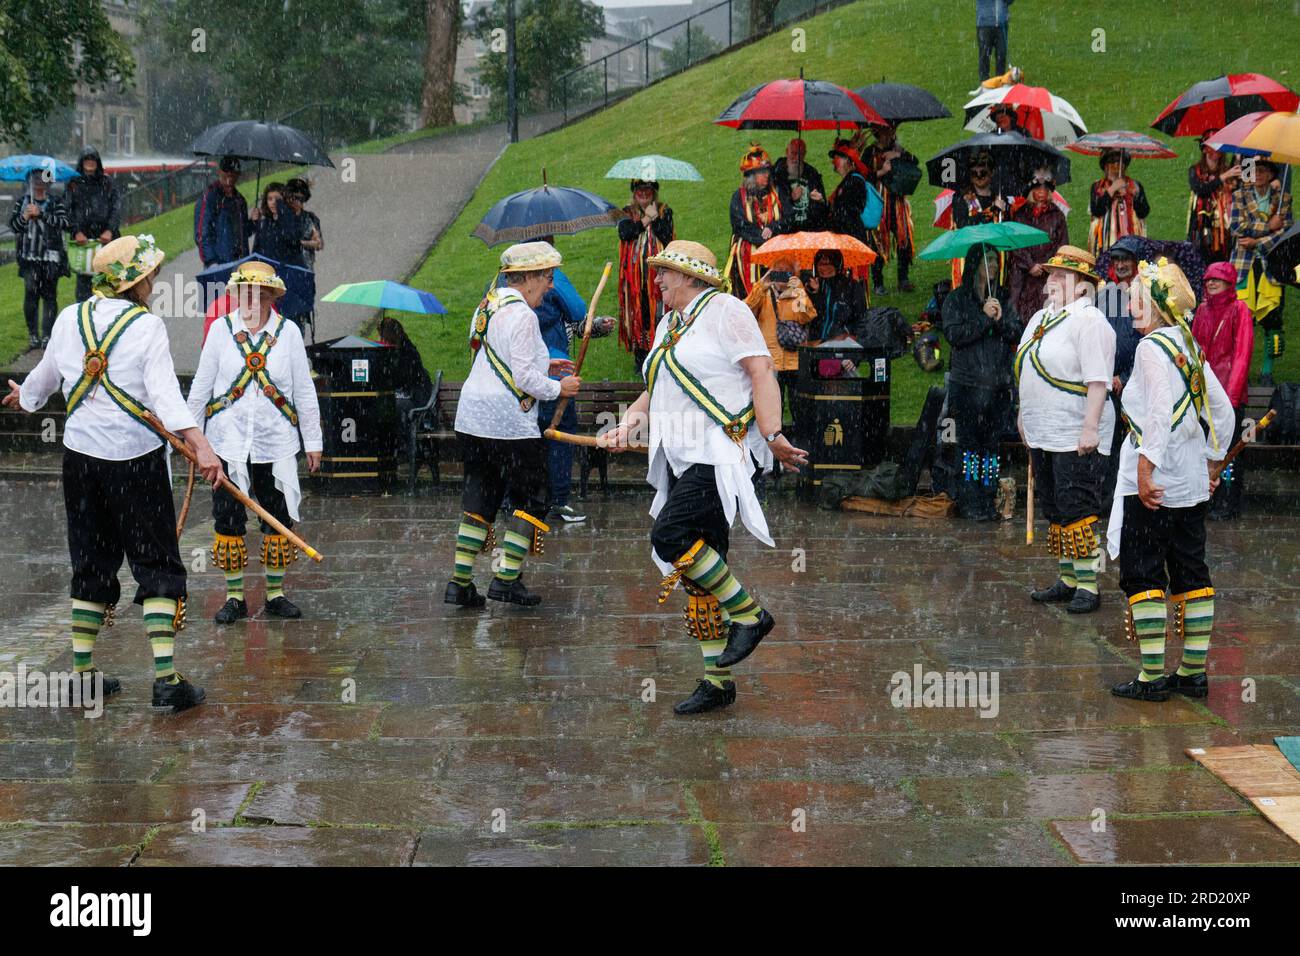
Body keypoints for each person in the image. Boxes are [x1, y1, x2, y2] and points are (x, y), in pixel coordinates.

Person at [2, 235, 221, 713]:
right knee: (156, 563)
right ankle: (166, 679)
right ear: (133, 281)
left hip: (80, 461)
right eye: (150, 275)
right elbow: (165, 399)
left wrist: (26, 399)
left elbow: (43, 378)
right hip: (135, 461)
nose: (155, 281)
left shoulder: (69, 317)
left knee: (91, 559)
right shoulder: (146, 328)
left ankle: (83, 674)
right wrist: (202, 448)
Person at [605, 240, 808, 715]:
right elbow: (655, 388)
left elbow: (762, 371)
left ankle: (751, 614)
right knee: (703, 570)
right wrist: (626, 425)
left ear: (690, 277)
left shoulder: (726, 311)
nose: (655, 280)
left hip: (719, 453)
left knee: (669, 537)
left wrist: (772, 431)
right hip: (678, 454)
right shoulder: (669, 324)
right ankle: (718, 683)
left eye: (664, 273)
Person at [1107, 258, 1234, 702]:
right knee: (1191, 570)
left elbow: (1159, 412)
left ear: (1159, 305)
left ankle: (1152, 677)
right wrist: (1213, 463)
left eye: (1138, 298)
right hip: (1190, 483)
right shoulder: (1189, 344)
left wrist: (1145, 467)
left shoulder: (1149, 349)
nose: (1131, 305)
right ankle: (1194, 673)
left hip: (1156, 484)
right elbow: (1223, 412)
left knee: (1142, 573)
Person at [444, 242, 582, 609]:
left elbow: (497, 356)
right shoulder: (524, 315)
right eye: (548, 278)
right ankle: (506, 580)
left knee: (480, 496)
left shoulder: (487, 305)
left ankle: (459, 583)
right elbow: (523, 376)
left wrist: (544, 365)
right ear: (530, 278)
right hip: (507, 423)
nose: (551, 286)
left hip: (472, 418)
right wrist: (558, 387)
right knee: (532, 499)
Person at [187, 261, 322, 624]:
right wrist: (190, 440)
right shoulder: (220, 331)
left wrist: (313, 441)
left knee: (277, 519)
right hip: (226, 443)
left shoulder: (289, 333)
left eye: (257, 292)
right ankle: (234, 597)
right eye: (243, 291)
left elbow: (304, 390)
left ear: (268, 296)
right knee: (227, 520)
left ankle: (275, 594)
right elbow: (201, 387)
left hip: (274, 443)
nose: (249, 298)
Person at [1016, 246, 1115, 614]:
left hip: (1076, 432)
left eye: (1061, 276)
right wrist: (1024, 416)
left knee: (1078, 507)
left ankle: (1089, 585)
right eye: (1051, 274)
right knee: (1056, 508)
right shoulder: (1040, 318)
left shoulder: (1090, 322)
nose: (1051, 280)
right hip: (1043, 430)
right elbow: (1026, 367)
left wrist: (1091, 427)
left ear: (1083, 286)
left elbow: (1098, 381)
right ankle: (1068, 578)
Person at [942, 243, 1024, 520]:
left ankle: (988, 497)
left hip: (998, 387)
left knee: (991, 448)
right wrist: (983, 318)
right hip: (968, 386)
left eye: (995, 261)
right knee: (969, 447)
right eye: (987, 260)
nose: (992, 265)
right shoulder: (956, 299)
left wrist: (1000, 320)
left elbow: (1016, 333)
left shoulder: (1002, 297)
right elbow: (955, 336)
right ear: (974, 265)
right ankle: (969, 499)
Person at [1193, 260, 1254, 520]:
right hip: (1205, 394)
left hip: (1229, 396)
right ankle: (1205, 498)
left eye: (1217, 279)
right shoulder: (1202, 311)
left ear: (1230, 283)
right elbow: (1193, 350)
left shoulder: (1240, 310)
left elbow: (1242, 353)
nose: (1211, 283)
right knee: (1203, 449)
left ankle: (1228, 502)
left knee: (1228, 454)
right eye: (1208, 279)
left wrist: (1231, 397)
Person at [1229, 159, 1292, 386]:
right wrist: (1268, 227)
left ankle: (1267, 371)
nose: (1257, 174)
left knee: (1272, 321)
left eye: (1263, 170)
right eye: (1254, 170)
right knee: (1242, 322)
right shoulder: (1239, 196)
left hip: (1272, 266)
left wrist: (1257, 241)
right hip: (1244, 266)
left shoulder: (1283, 199)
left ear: (1271, 174)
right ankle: (1240, 372)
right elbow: (1237, 227)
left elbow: (1286, 232)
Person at [1096, 236, 1145, 507]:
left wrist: (1125, 377)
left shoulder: (1144, 294)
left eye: (1126, 259)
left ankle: (1128, 499)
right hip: (1104, 384)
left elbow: (1146, 343)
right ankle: (1106, 500)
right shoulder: (1104, 296)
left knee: (1130, 445)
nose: (1121, 264)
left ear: (1136, 262)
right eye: (1117, 259)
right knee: (1107, 446)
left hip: (1133, 385)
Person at [746, 255, 816, 433]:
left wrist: (799, 289)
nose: (781, 277)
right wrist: (761, 286)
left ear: (793, 275)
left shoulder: (797, 295)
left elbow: (806, 316)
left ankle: (800, 443)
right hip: (771, 362)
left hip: (795, 361)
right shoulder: (764, 295)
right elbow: (745, 311)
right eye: (777, 273)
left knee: (798, 407)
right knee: (772, 408)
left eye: (786, 273)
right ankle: (774, 446)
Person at [617, 178, 675, 370]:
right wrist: (645, 220)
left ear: (654, 192)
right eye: (639, 190)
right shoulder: (626, 213)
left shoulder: (665, 210)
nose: (643, 193)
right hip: (634, 278)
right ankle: (640, 356)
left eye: (647, 190)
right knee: (638, 312)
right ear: (634, 193)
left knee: (659, 309)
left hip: (656, 275)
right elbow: (625, 233)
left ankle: (660, 350)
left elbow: (666, 235)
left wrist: (655, 217)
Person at [9, 170, 69, 351]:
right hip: (29, 258)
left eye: (43, 179)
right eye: (35, 179)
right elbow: (14, 227)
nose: (38, 183)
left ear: (49, 183)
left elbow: (65, 223)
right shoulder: (22, 203)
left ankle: (47, 336)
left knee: (50, 297)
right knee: (31, 296)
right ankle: (33, 335)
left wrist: (42, 214)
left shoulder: (56, 202)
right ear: (30, 182)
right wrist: (25, 217)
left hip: (51, 258)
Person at [727, 144, 790, 297]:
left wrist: (773, 227)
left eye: (767, 171)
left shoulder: (778, 193)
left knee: (779, 293)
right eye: (761, 172)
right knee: (751, 297)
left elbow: (789, 218)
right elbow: (740, 226)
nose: (766, 175)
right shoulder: (738, 197)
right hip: (748, 257)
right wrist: (761, 237)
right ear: (750, 176)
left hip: (776, 254)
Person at [1008, 170, 1069, 322]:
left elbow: (1062, 245)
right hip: (1023, 275)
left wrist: (1047, 265)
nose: (1041, 192)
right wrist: (1030, 264)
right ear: (1030, 191)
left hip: (1048, 274)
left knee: (1047, 310)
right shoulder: (1020, 215)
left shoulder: (1057, 215)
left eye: (1045, 188)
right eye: (1037, 188)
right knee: (1021, 313)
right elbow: (1016, 244)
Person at [866, 123, 919, 294]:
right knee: (877, 242)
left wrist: (898, 154)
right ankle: (878, 283)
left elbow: (914, 162)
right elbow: (863, 176)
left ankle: (903, 279)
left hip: (897, 204)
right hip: (878, 204)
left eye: (891, 130)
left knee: (903, 240)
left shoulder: (898, 149)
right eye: (887, 130)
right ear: (878, 132)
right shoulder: (869, 152)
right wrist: (882, 171)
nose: (891, 133)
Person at [64, 146, 121, 302]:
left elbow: (116, 208)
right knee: (84, 286)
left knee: (108, 282)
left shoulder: (107, 183)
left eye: (92, 159)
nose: (89, 163)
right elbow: (66, 211)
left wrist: (110, 229)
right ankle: (85, 318)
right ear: (81, 162)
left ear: (97, 162)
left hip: (106, 240)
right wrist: (76, 232)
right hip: (83, 242)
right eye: (86, 159)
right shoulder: (73, 184)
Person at [1187, 132, 1241, 264]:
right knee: (1200, 262)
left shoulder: (1229, 170)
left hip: (1224, 228)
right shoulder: (1195, 170)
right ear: (1204, 149)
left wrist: (1240, 159)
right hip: (1201, 226)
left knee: (1221, 262)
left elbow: (1239, 192)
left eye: (1219, 148)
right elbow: (1201, 190)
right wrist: (1222, 178)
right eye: (1211, 147)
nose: (1215, 152)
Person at [1088, 149, 1150, 256]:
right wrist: (1112, 190)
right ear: (1105, 166)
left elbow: (1144, 212)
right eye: (1112, 162)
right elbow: (1097, 211)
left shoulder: (1135, 186)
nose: (1116, 166)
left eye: (1120, 162)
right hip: (1105, 242)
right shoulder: (1098, 187)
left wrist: (1131, 196)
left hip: (1131, 240)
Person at [194, 156, 252, 268]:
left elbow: (244, 231)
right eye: (226, 175)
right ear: (219, 172)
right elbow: (202, 234)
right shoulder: (209, 198)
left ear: (238, 175)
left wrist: (254, 222)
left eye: (233, 176)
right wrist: (211, 261)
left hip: (241, 262)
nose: (229, 179)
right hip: (219, 264)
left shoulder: (240, 200)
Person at [771, 138, 826, 233]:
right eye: (793, 153)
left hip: (809, 232)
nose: (797, 158)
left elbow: (823, 211)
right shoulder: (776, 174)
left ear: (805, 154)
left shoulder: (812, 174)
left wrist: (820, 201)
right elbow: (770, 203)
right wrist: (790, 198)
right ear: (786, 152)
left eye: (801, 154)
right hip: (784, 232)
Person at [251, 182, 306, 268]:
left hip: (288, 270)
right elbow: (257, 249)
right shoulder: (265, 222)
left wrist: (281, 208)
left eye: (277, 199)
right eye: (270, 199)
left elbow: (292, 237)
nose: (273, 202)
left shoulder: (293, 218)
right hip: (268, 272)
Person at [284, 178, 323, 271]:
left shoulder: (310, 218)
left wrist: (301, 243)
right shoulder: (283, 217)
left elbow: (318, 244)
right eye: (294, 198)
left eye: (301, 199)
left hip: (306, 266)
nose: (297, 202)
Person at [976, 0, 1013, 82]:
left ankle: (1000, 81)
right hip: (984, 24)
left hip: (1001, 23)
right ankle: (984, 82)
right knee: (984, 55)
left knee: (1001, 54)